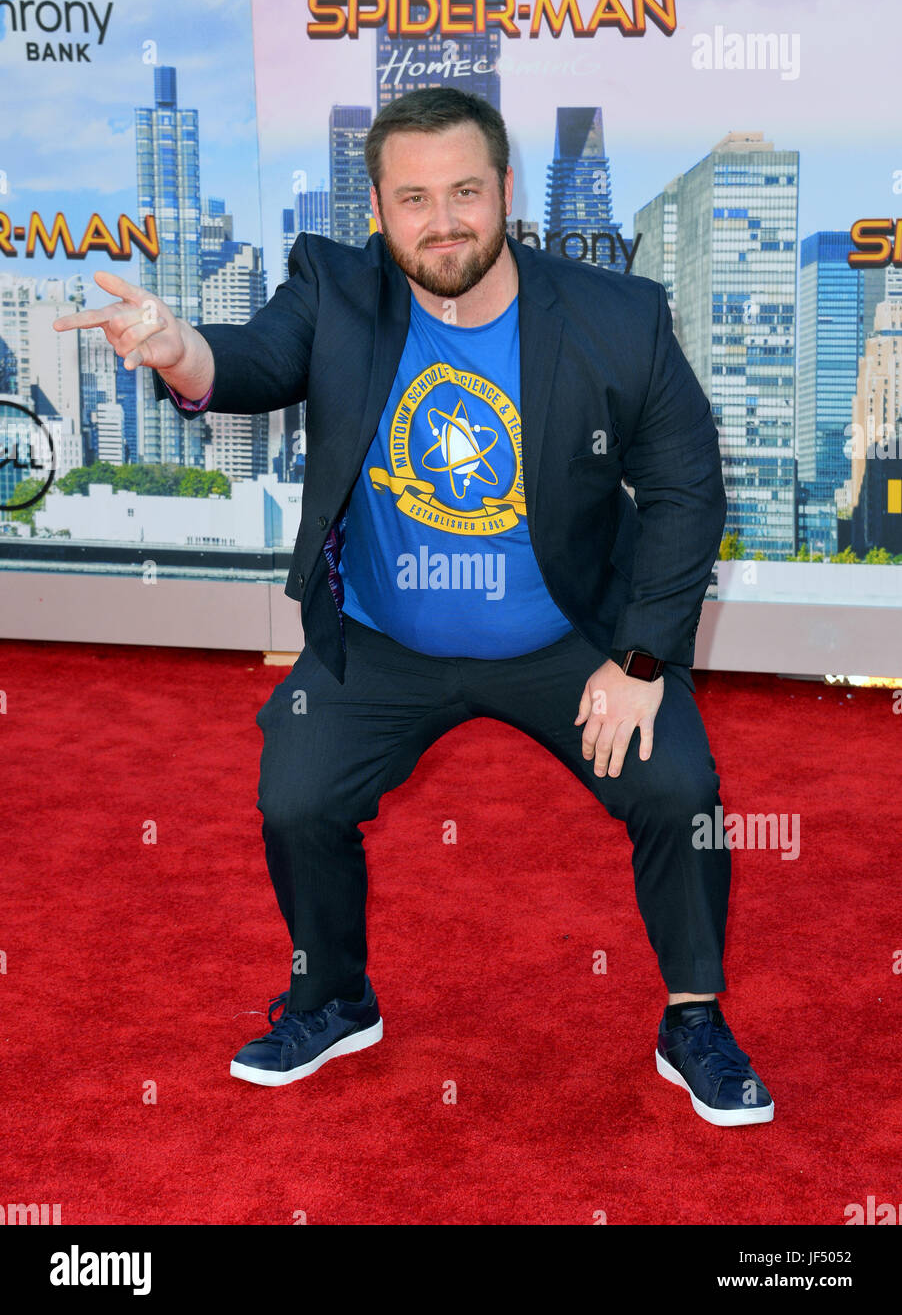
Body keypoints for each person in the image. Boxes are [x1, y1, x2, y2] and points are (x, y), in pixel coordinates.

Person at [53, 87, 773, 1127]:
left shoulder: (616, 318)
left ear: (505, 192)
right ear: (381, 213)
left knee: (680, 791)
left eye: (465, 192)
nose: (443, 221)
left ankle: (691, 1018)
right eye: (414, 198)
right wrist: (177, 351)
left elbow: (684, 489)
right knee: (295, 795)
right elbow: (246, 365)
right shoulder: (336, 294)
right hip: (385, 640)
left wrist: (640, 665)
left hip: (568, 638)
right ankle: (335, 995)